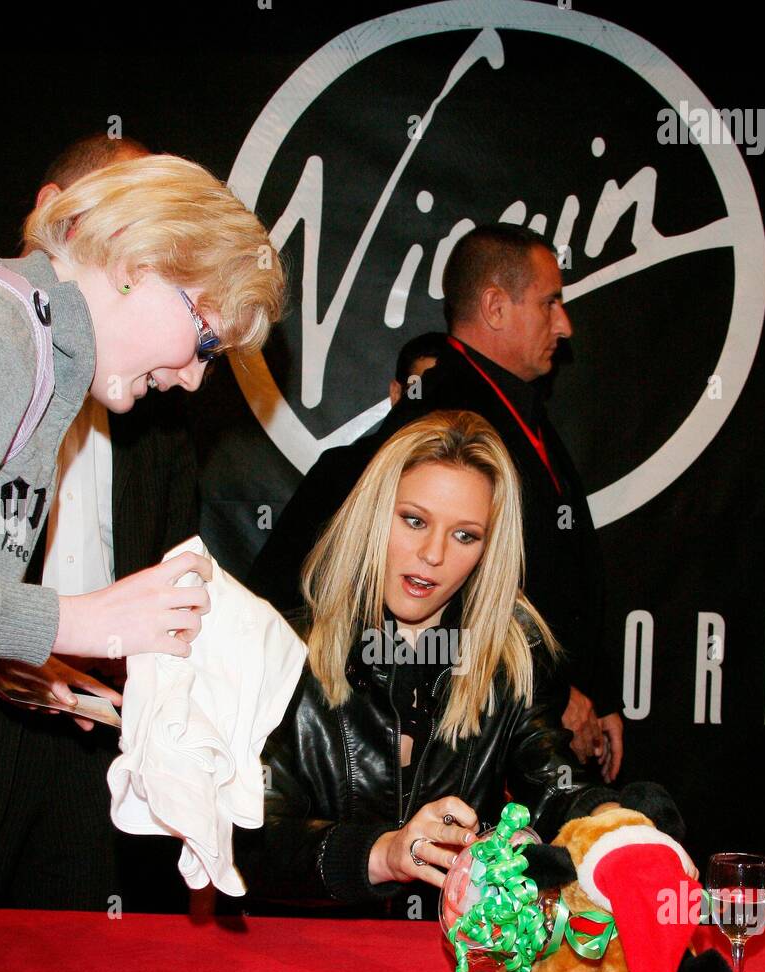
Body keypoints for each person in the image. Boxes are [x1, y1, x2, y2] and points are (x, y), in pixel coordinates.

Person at [247, 226, 623, 783]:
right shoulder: (438, 410)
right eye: (551, 303)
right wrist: (555, 693)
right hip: (447, 739)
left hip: (520, 722)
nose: (564, 326)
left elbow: (564, 564)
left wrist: (594, 690)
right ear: (495, 306)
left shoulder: (523, 409)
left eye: (466, 535)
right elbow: (325, 561)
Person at [234, 410, 613, 921]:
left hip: (447, 970)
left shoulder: (510, 662)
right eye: (414, 520)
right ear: (374, 515)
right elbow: (250, 844)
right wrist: (383, 853)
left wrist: (620, 826)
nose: (432, 554)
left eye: (465, 536)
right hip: (302, 966)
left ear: (487, 551)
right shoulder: (281, 653)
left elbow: (555, 787)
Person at [0, 135, 207, 910]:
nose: (192, 374)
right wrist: (67, 621)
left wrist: (23, 649)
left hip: (74, 716)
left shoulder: (136, 403)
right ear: (65, 222)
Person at [0, 152, 284, 672]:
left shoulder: (39, 350)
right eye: (206, 343)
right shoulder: (0, 335)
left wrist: (6, 650)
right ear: (134, 266)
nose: (192, 377)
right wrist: (77, 622)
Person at [246, 332, 446, 611]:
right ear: (396, 394)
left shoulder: (479, 488)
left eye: (446, 397)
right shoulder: (341, 473)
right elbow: (275, 583)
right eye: (420, 393)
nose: (431, 409)